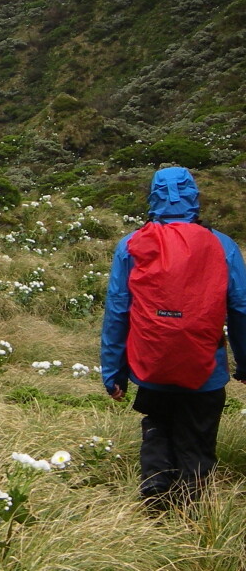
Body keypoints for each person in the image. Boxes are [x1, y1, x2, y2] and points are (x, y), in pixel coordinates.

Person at [100, 166, 246, 510]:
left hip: (152, 366)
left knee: (157, 431)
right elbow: (240, 308)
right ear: (194, 197)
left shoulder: (132, 245)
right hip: (206, 371)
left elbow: (118, 311)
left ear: (153, 197)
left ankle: (154, 509)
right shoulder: (222, 245)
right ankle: (189, 516)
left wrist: (113, 371)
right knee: (196, 442)